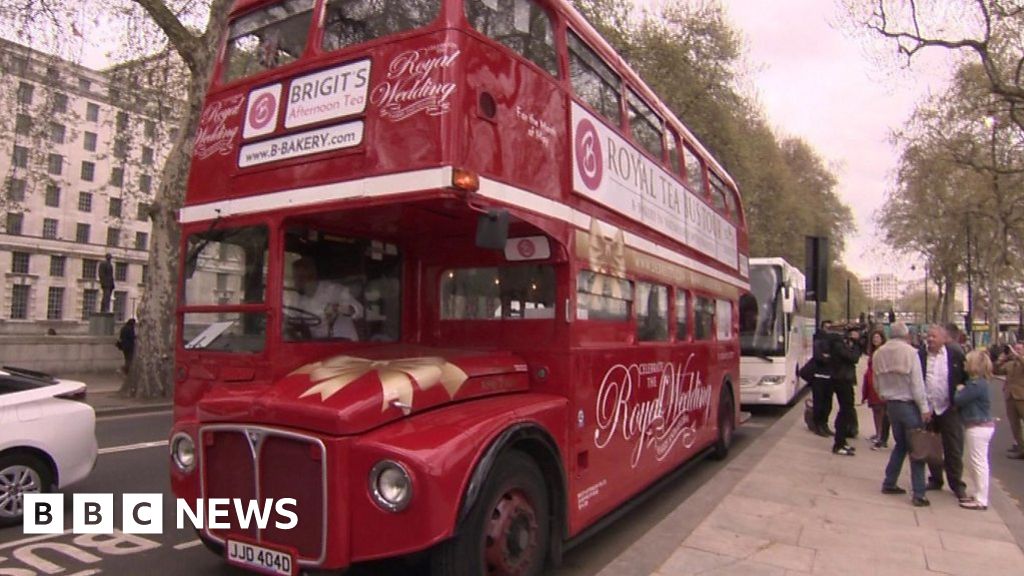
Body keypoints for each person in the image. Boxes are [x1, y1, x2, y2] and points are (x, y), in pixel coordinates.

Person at [874, 322, 933, 506]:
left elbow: (876, 381)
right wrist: (924, 407)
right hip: (908, 404)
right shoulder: (911, 353)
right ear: (906, 335)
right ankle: (919, 493)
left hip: (891, 404)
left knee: (900, 444)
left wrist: (883, 395)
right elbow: (917, 384)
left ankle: (889, 481)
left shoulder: (879, 353)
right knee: (917, 447)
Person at [919, 324, 969, 501]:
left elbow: (965, 376)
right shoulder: (921, 354)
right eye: (928, 336)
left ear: (943, 338)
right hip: (929, 408)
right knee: (932, 447)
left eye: (934, 336)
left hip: (949, 407)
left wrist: (960, 396)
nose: (930, 339)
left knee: (953, 447)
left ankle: (956, 483)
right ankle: (935, 479)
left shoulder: (954, 353)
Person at [955, 350, 996, 510]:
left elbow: (959, 399)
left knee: (978, 463)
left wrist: (959, 389)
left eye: (966, 361)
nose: (964, 364)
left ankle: (981, 499)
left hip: (978, 427)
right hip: (979, 426)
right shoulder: (980, 383)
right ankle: (979, 493)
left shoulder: (976, 384)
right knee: (974, 462)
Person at [287, 257, 363, 340]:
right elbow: (293, 319)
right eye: (294, 278)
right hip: (317, 345)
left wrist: (338, 308)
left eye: (297, 278)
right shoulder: (299, 300)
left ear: (307, 278)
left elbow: (358, 310)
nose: (295, 282)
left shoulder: (334, 290)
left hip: (344, 343)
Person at [830, 324, 863, 455]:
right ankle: (838, 444)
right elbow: (854, 357)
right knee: (845, 410)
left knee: (846, 411)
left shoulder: (840, 344)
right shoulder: (838, 345)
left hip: (844, 379)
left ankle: (842, 441)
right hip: (841, 380)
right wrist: (855, 343)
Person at [862, 329, 890, 450]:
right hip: (871, 382)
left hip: (879, 381)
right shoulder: (872, 351)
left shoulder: (884, 351)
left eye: (877, 337)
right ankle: (877, 432)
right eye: (874, 338)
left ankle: (881, 435)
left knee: (881, 409)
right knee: (875, 408)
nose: (875, 340)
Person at [995, 343, 1024, 459]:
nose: (1015, 351)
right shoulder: (1011, 364)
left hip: (1022, 396)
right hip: (1010, 396)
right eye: (1014, 349)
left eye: (1019, 349)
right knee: (1015, 426)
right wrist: (1002, 358)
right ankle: (1022, 449)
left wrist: (1017, 355)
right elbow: (996, 370)